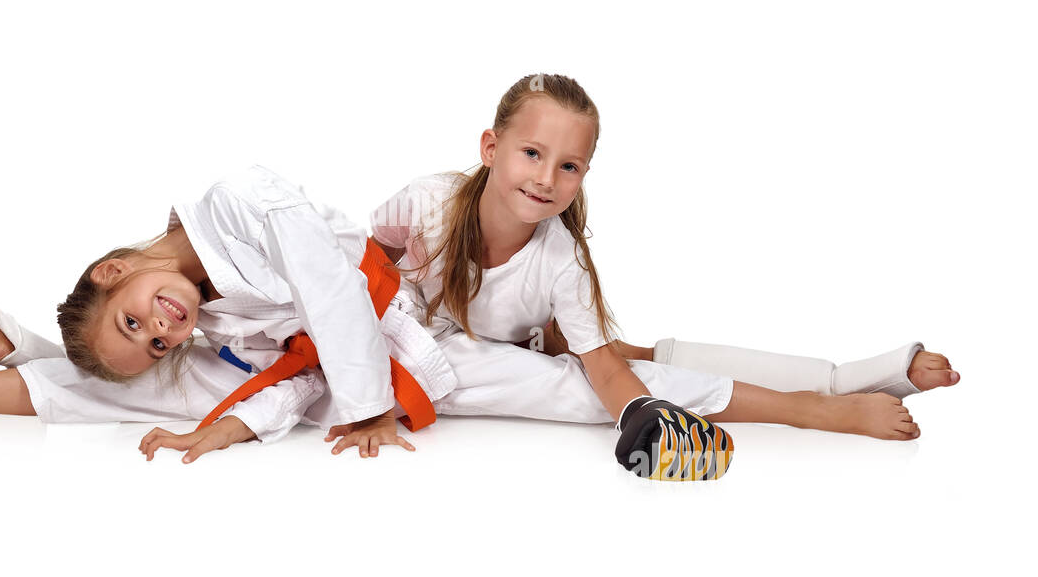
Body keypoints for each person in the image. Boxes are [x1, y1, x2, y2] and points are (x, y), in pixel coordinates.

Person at [340, 72, 959, 447]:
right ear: (490, 147)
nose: (546, 177)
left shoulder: (563, 261)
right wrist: (370, 399)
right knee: (604, 366)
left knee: (614, 368)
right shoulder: (426, 203)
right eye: (531, 152)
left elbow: (610, 379)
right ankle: (820, 398)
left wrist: (642, 420)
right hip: (442, 352)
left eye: (569, 166)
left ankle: (828, 386)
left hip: (520, 340)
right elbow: (358, 279)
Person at [0, 165, 457, 462]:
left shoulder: (240, 203)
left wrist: (367, 406)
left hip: (400, 322)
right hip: (304, 364)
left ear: (113, 271)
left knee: (539, 385)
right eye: (158, 339)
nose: (162, 329)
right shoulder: (195, 305)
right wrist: (235, 424)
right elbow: (290, 369)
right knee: (146, 383)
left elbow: (333, 293)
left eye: (134, 321)